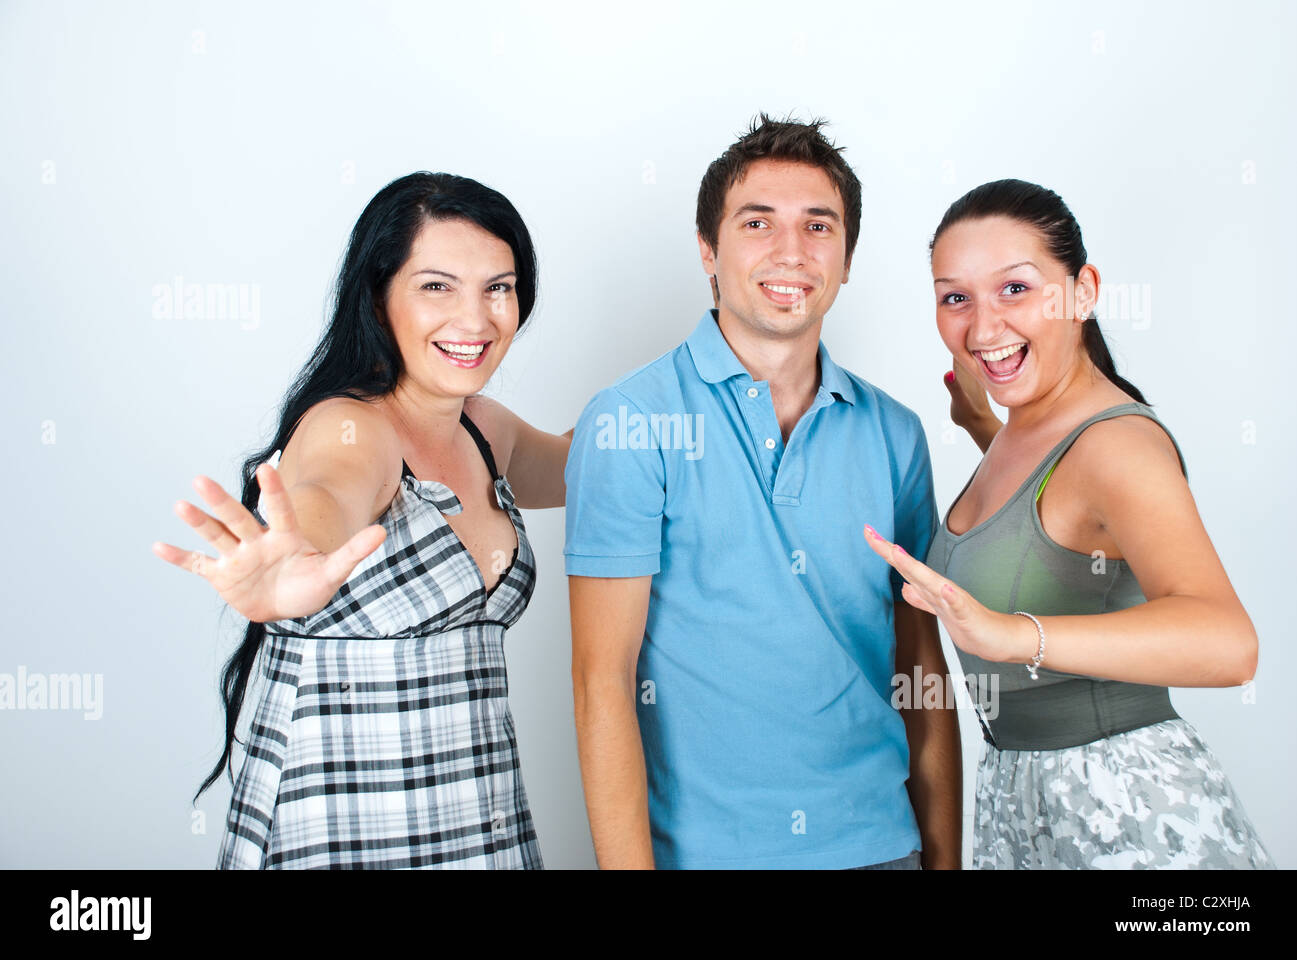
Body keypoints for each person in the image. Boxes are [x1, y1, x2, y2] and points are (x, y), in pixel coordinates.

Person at [565, 114, 962, 869]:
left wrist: (944, 860)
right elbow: (600, 683)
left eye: (820, 226)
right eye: (758, 223)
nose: (792, 251)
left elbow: (922, 668)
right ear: (708, 251)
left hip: (882, 849)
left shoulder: (897, 434)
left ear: (846, 259)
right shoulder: (631, 420)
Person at [154, 171, 570, 869]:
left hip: (476, 819)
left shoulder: (483, 430)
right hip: (345, 826)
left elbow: (601, 467)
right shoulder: (351, 427)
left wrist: (741, 346)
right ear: (379, 297)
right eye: (437, 286)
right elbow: (326, 491)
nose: (475, 319)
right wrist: (296, 552)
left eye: (497, 287)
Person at [864, 178, 1274, 869]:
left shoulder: (1117, 445)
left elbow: (1229, 644)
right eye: (955, 297)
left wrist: (1009, 635)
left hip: (1125, 812)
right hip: (1022, 798)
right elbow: (1049, 532)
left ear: (1082, 291)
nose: (983, 328)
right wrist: (984, 429)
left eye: (1015, 289)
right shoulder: (1027, 430)